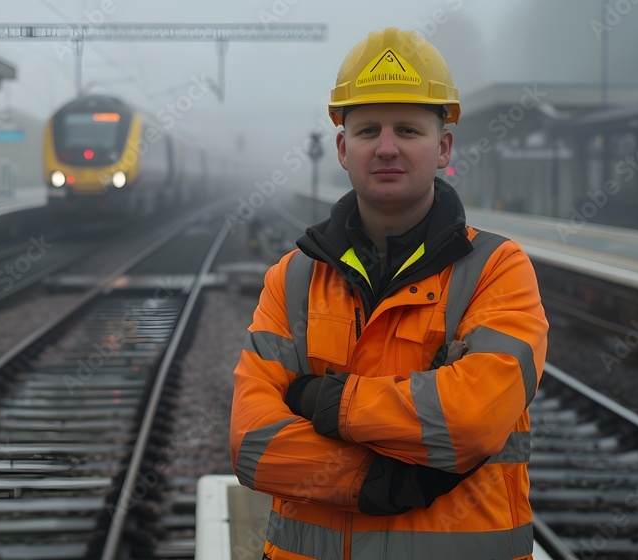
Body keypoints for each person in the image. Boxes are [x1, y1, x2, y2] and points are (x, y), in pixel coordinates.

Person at [230, 27, 549, 559]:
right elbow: (253, 444)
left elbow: (471, 422)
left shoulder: (497, 270)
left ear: (443, 147)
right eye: (367, 130)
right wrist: (385, 481)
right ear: (341, 148)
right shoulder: (291, 279)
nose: (386, 148)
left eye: (408, 129)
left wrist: (321, 401)